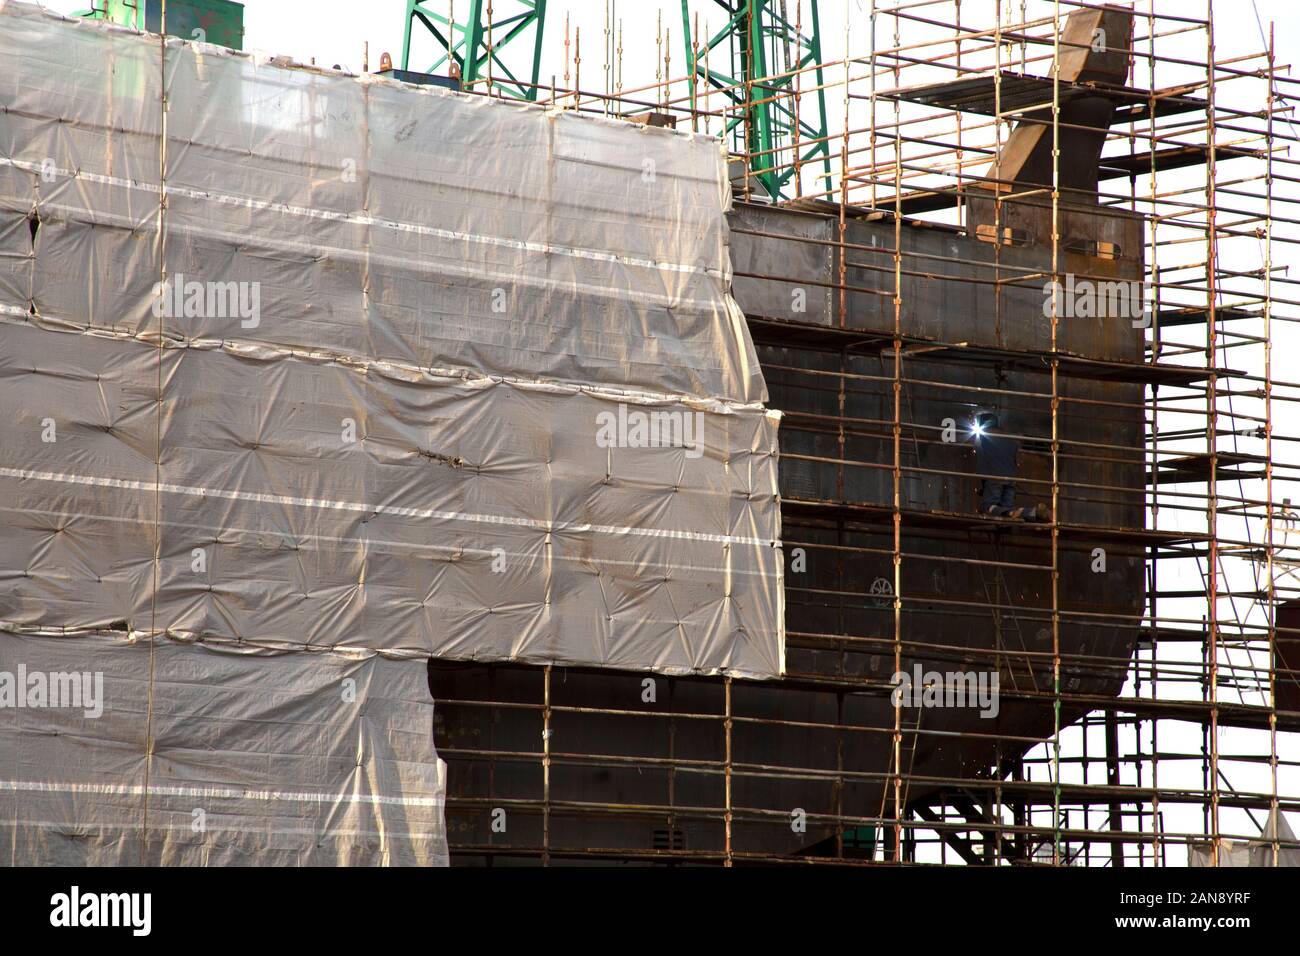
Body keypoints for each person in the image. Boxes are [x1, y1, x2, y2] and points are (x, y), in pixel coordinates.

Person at [972, 411, 1045, 521]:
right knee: (1007, 511)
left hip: (994, 478)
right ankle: (1033, 512)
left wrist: (982, 482)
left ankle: (1014, 512)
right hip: (1011, 479)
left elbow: (981, 460)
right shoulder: (1009, 438)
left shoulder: (982, 437)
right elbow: (1016, 461)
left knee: (987, 506)